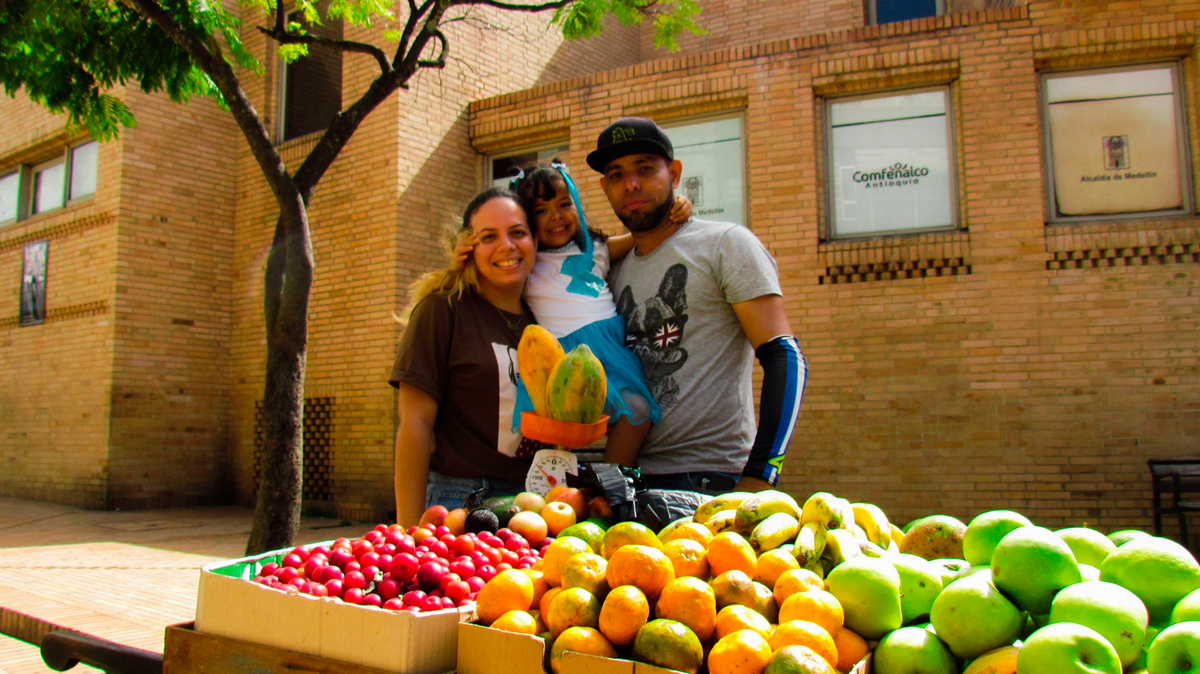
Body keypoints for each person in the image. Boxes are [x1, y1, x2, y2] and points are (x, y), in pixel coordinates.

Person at [587, 116, 808, 494]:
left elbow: (784, 357)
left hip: (709, 480)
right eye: (616, 174)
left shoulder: (725, 244)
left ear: (674, 174)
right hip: (625, 486)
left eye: (645, 168)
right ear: (604, 187)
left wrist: (761, 474)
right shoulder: (609, 270)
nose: (632, 184)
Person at [456, 163, 691, 465]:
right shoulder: (528, 260)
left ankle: (613, 482)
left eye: (564, 204)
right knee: (557, 436)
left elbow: (643, 235)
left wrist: (677, 207)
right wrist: (461, 245)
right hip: (562, 361)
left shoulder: (597, 249)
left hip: (610, 358)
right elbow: (481, 273)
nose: (556, 216)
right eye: (541, 211)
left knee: (638, 411)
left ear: (577, 205)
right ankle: (555, 491)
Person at [388, 187, 538, 526]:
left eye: (518, 232)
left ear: (534, 240)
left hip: (533, 504)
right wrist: (408, 532)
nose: (507, 246)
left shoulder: (544, 314)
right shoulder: (442, 310)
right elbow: (415, 424)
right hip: (462, 504)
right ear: (468, 247)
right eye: (489, 237)